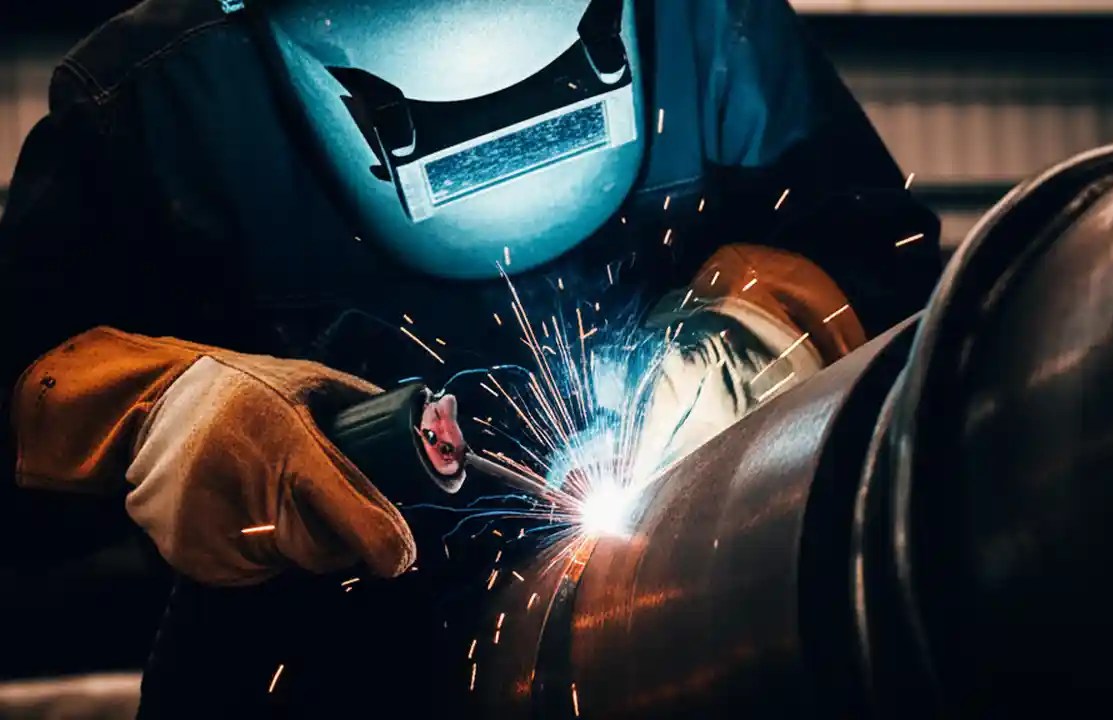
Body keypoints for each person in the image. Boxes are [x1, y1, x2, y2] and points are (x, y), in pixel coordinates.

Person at [0, 0, 940, 714]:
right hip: (311, 681)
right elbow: (23, 387)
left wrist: (744, 347)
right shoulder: (158, 100)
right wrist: (157, 410)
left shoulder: (702, 22)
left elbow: (873, 247)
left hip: (682, 645)